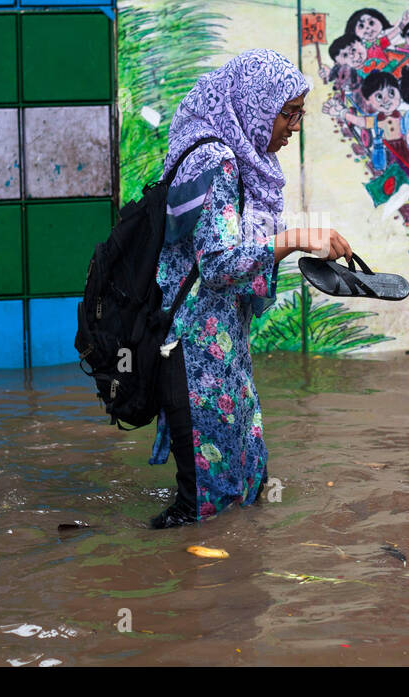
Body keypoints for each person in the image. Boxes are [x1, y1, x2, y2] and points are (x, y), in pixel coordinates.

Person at [150, 49, 352, 528]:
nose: (294, 126)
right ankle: (183, 586)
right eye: (287, 113)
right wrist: (298, 239)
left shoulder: (238, 158)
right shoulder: (216, 160)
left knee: (247, 485)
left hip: (224, 354)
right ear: (254, 104)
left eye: (299, 113)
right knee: (207, 503)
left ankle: (233, 581)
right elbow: (218, 265)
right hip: (194, 355)